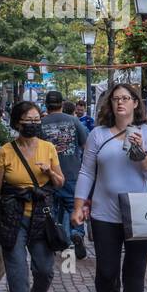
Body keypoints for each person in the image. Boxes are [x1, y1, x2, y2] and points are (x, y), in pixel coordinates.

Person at [73, 83, 147, 292]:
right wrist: (78, 205)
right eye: (115, 99)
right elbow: (86, 172)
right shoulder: (98, 134)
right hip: (105, 213)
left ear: (136, 103)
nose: (120, 103)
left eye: (126, 98)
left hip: (140, 212)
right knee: (107, 269)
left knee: (134, 270)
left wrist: (141, 152)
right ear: (109, 104)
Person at [0, 101, 65, 292]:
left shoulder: (48, 148)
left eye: (36, 119)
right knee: (16, 268)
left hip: (42, 215)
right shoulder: (6, 151)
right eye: (27, 120)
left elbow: (60, 182)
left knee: (45, 269)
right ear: (17, 122)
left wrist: (49, 172)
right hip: (12, 216)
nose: (32, 124)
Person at [40, 91, 91, 260]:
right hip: (71, 172)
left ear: (46, 105)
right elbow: (86, 145)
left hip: (48, 175)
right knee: (73, 207)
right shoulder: (74, 121)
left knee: (51, 210)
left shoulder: (41, 123)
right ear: (62, 104)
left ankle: (56, 239)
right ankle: (77, 232)